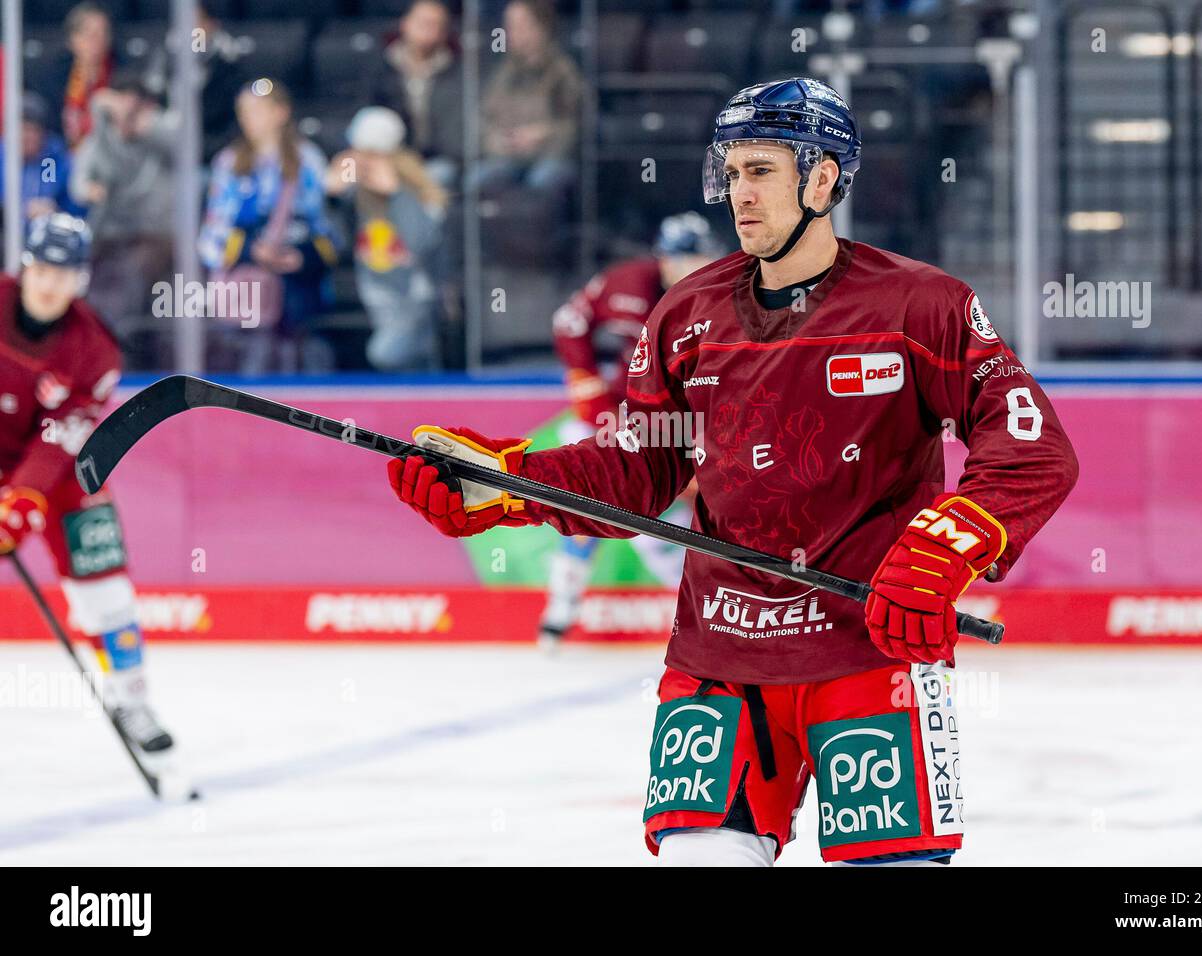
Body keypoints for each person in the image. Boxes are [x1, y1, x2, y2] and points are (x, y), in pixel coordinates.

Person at [385, 77, 1078, 866]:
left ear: (823, 179)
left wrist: (947, 548)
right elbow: (640, 470)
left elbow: (1031, 447)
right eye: (732, 172)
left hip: (871, 652)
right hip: (720, 655)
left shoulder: (922, 305)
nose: (738, 194)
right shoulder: (686, 314)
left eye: (761, 171)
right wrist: (509, 483)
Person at [0, 213, 175, 755]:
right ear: (24, 267)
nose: (50, 283)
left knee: (108, 593)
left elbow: (60, 438)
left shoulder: (96, 350)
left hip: (64, 476)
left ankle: (131, 696)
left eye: (64, 272)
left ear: (80, 280)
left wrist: (23, 498)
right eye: (42, 269)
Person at [538, 212, 724, 650]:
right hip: (617, 414)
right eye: (683, 257)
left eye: (700, 256)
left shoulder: (724, 293)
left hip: (679, 421)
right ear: (663, 257)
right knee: (588, 505)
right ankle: (560, 605)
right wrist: (584, 379)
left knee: (668, 522)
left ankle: (707, 616)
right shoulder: (626, 283)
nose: (692, 267)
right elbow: (570, 321)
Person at [198, 79, 338, 374]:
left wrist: (302, 257)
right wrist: (252, 251)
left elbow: (328, 231)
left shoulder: (308, 160)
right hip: (245, 284)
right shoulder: (230, 162)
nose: (250, 119)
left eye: (258, 110)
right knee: (250, 356)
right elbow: (211, 236)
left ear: (281, 112)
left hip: (298, 284)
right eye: (244, 112)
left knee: (300, 347)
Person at [325, 107, 449, 371]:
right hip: (376, 301)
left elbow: (420, 243)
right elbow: (338, 244)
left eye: (373, 156)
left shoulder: (420, 188)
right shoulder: (358, 195)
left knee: (387, 353)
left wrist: (397, 193)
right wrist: (332, 200)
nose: (365, 164)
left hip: (415, 301)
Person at [70, 72, 176, 341]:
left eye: (134, 108)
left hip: (154, 235)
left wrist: (146, 126)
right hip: (109, 232)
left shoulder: (160, 138)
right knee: (82, 268)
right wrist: (89, 190)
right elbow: (79, 183)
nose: (126, 117)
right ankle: (87, 337)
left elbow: (183, 143)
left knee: (130, 272)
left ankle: (117, 339)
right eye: (121, 108)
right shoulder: (101, 141)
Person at [472, 0, 582, 197]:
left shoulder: (563, 72)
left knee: (543, 180)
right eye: (510, 26)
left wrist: (543, 135)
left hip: (551, 157)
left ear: (542, 27)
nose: (514, 33)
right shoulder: (501, 73)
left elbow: (578, 126)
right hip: (507, 157)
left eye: (522, 25)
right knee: (478, 178)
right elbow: (483, 120)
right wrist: (500, 140)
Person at [368, 0, 465, 188]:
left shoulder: (459, 72)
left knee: (437, 176)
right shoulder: (381, 68)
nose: (428, 29)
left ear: (445, 32)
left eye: (435, 24)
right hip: (393, 155)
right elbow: (369, 114)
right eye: (422, 22)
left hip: (442, 158)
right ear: (405, 24)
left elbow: (457, 130)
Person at [37, 2, 115, 152]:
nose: (99, 41)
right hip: (63, 155)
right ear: (72, 40)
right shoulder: (54, 76)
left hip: (107, 156)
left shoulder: (120, 72)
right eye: (91, 35)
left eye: (104, 33)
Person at [0, 93, 83, 231]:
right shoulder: (3, 158)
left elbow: (74, 204)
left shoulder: (52, 160)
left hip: (45, 237)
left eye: (32, 130)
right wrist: (22, 209)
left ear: (43, 133)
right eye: (21, 129)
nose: (25, 137)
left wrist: (55, 209)